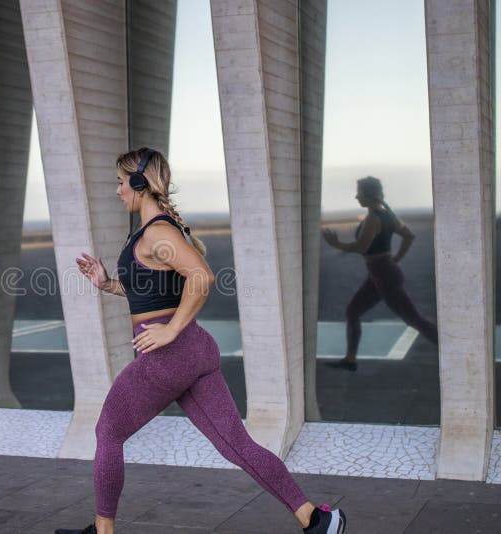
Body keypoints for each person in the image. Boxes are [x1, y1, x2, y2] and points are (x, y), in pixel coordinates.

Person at [58, 148, 346, 534]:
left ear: (140, 184)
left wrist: (170, 330)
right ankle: (316, 519)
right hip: (192, 355)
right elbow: (152, 293)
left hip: (169, 359)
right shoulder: (151, 232)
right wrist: (107, 283)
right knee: (236, 444)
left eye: (121, 182)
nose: (117, 190)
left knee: (107, 432)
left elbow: (202, 277)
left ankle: (103, 532)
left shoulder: (158, 232)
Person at [321, 176, 438, 372]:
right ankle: (350, 360)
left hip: (385, 277)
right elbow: (409, 235)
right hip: (381, 275)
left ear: (368, 195)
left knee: (415, 320)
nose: (356, 196)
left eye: (359, 192)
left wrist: (337, 244)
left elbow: (361, 246)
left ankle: (453, 352)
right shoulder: (386, 215)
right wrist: (396, 258)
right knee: (352, 311)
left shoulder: (373, 218)